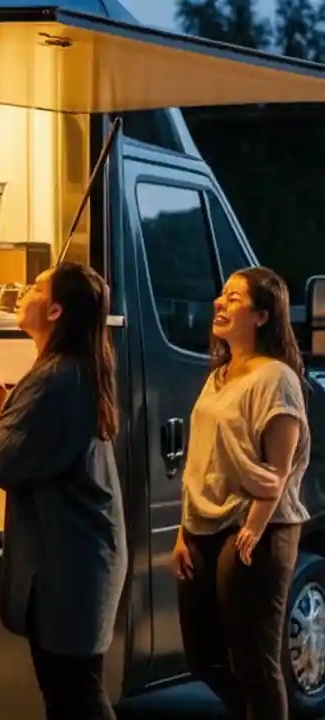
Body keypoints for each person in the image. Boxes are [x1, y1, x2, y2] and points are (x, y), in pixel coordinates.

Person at [0, 262, 127, 719]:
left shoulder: (57, 377)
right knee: (72, 694)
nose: (23, 292)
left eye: (35, 286)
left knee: (75, 697)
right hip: (80, 564)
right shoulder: (68, 370)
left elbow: (2, 459)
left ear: (54, 310)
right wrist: (4, 410)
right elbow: (37, 444)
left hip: (71, 569)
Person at [172, 267, 311, 720]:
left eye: (233, 298)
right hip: (203, 525)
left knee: (254, 661)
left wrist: (253, 526)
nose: (219, 302)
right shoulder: (219, 375)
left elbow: (279, 468)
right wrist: (183, 531)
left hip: (258, 528)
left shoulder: (276, 379)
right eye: (222, 295)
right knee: (203, 657)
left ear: (262, 315)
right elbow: (203, 459)